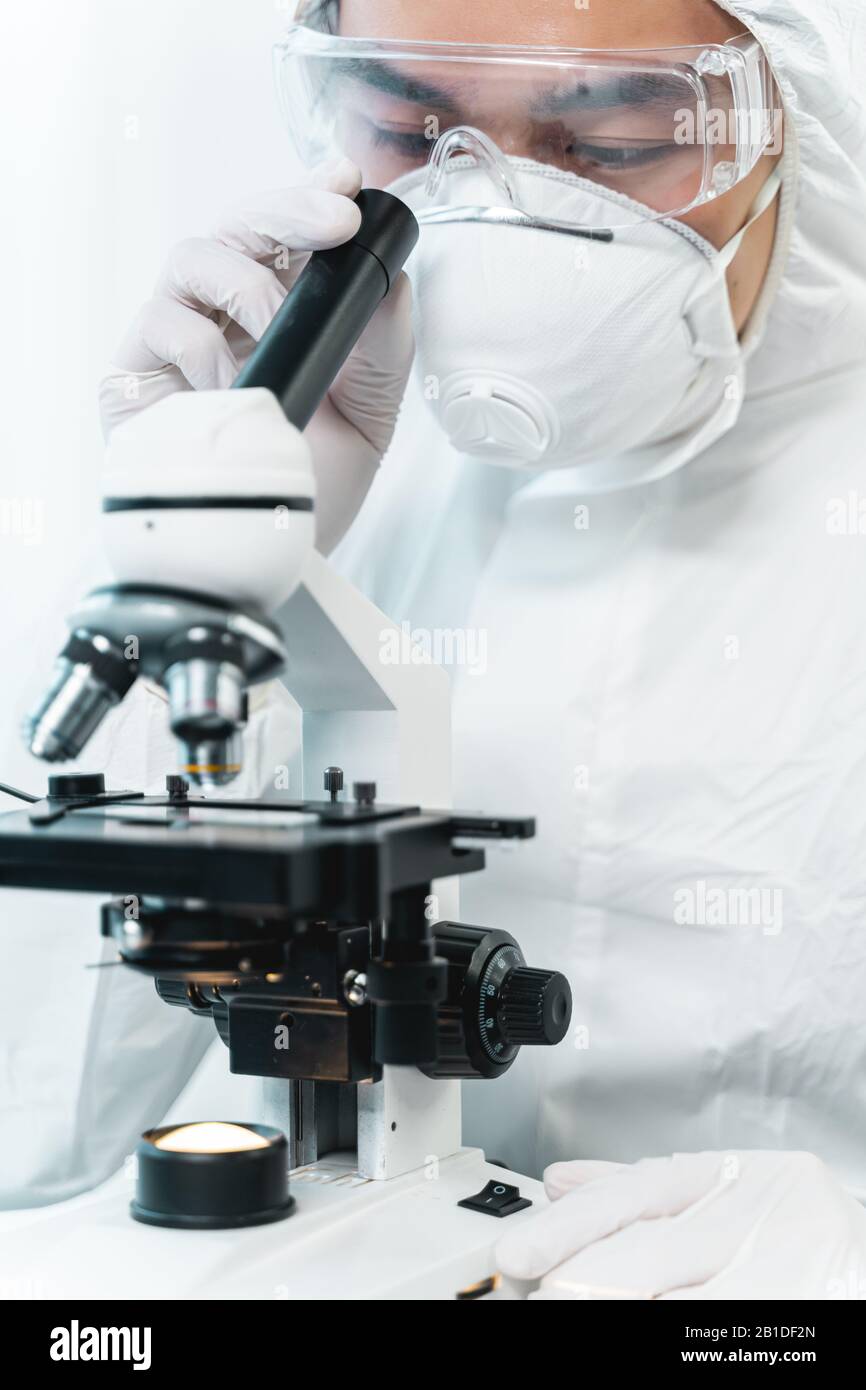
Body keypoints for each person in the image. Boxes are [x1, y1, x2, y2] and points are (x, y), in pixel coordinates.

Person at [15, 0, 866, 1298]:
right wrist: (206, 539)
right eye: (412, 128)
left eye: (615, 144)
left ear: (803, 114)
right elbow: (32, 1136)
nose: (496, 207)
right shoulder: (322, 420)